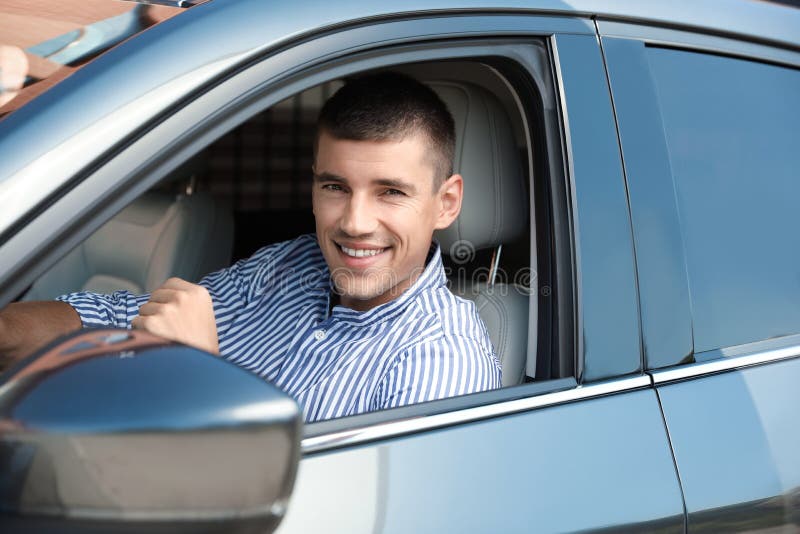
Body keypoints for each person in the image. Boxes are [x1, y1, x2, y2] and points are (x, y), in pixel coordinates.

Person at [0, 72, 502, 422]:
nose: (354, 222)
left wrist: (200, 376)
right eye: (335, 187)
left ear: (446, 203)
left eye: (390, 192)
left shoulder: (441, 361)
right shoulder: (286, 266)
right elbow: (128, 318)